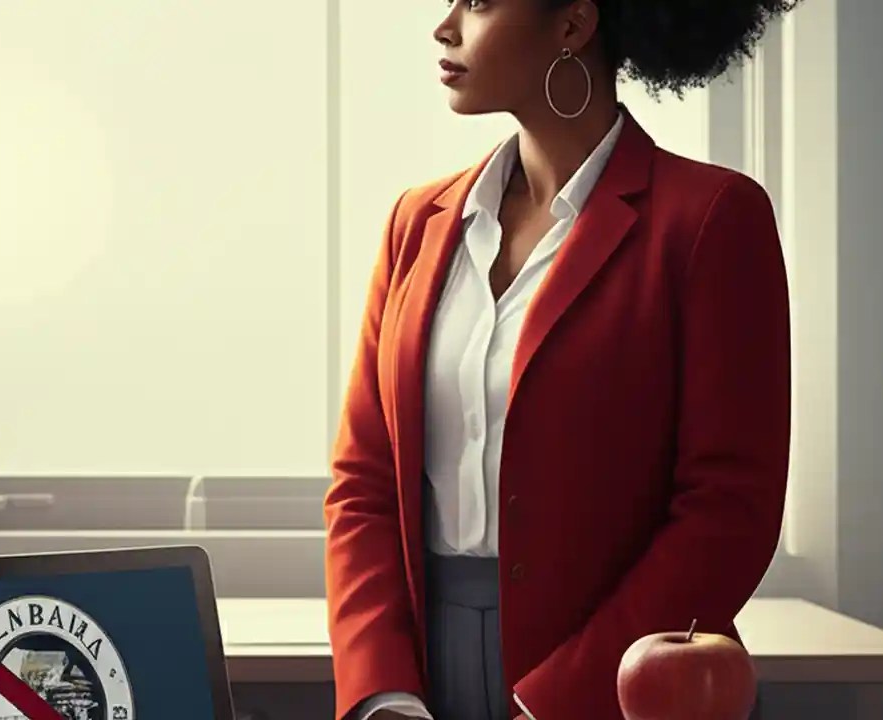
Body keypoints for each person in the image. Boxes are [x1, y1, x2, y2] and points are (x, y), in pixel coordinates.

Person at [323, 0, 798, 718]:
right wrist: (384, 695)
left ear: (573, 25)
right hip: (420, 679)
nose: (445, 27)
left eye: (478, 2)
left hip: (618, 684)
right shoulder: (414, 224)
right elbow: (363, 481)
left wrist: (557, 701)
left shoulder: (711, 219)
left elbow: (729, 509)